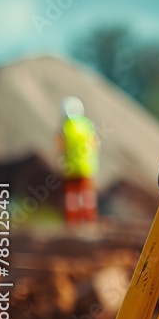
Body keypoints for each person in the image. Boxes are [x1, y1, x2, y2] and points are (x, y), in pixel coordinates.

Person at [59, 96, 99, 226]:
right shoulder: (87, 125)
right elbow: (95, 144)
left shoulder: (65, 127)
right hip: (86, 167)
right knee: (87, 197)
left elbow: (61, 146)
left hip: (70, 169)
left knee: (72, 198)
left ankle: (73, 224)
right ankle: (90, 223)